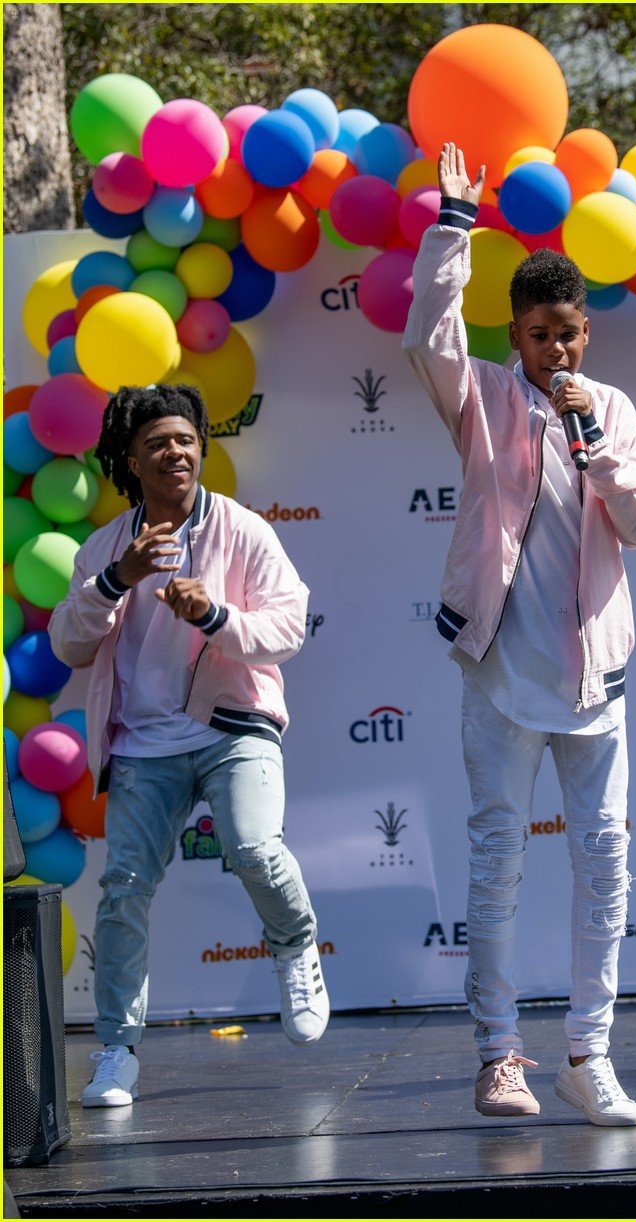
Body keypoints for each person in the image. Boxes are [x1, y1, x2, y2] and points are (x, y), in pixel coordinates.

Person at [403, 143, 636, 1126]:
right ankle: (497, 1054)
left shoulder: (615, 413)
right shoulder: (479, 399)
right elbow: (424, 337)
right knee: (497, 860)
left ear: (585, 333)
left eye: (566, 334)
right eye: (534, 336)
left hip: (595, 681)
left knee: (604, 860)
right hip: (500, 675)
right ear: (510, 338)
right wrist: (452, 225)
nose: (553, 351)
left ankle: (588, 1054)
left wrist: (593, 446)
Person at [49, 383, 328, 1107]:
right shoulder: (108, 547)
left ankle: (296, 948)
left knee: (256, 847)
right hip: (144, 746)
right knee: (125, 891)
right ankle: (116, 1049)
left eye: (184, 440)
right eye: (156, 445)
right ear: (131, 463)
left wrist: (215, 615)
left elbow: (288, 629)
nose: (175, 453)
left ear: (201, 446)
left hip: (233, 725)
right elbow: (69, 644)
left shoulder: (245, 530)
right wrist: (117, 579)